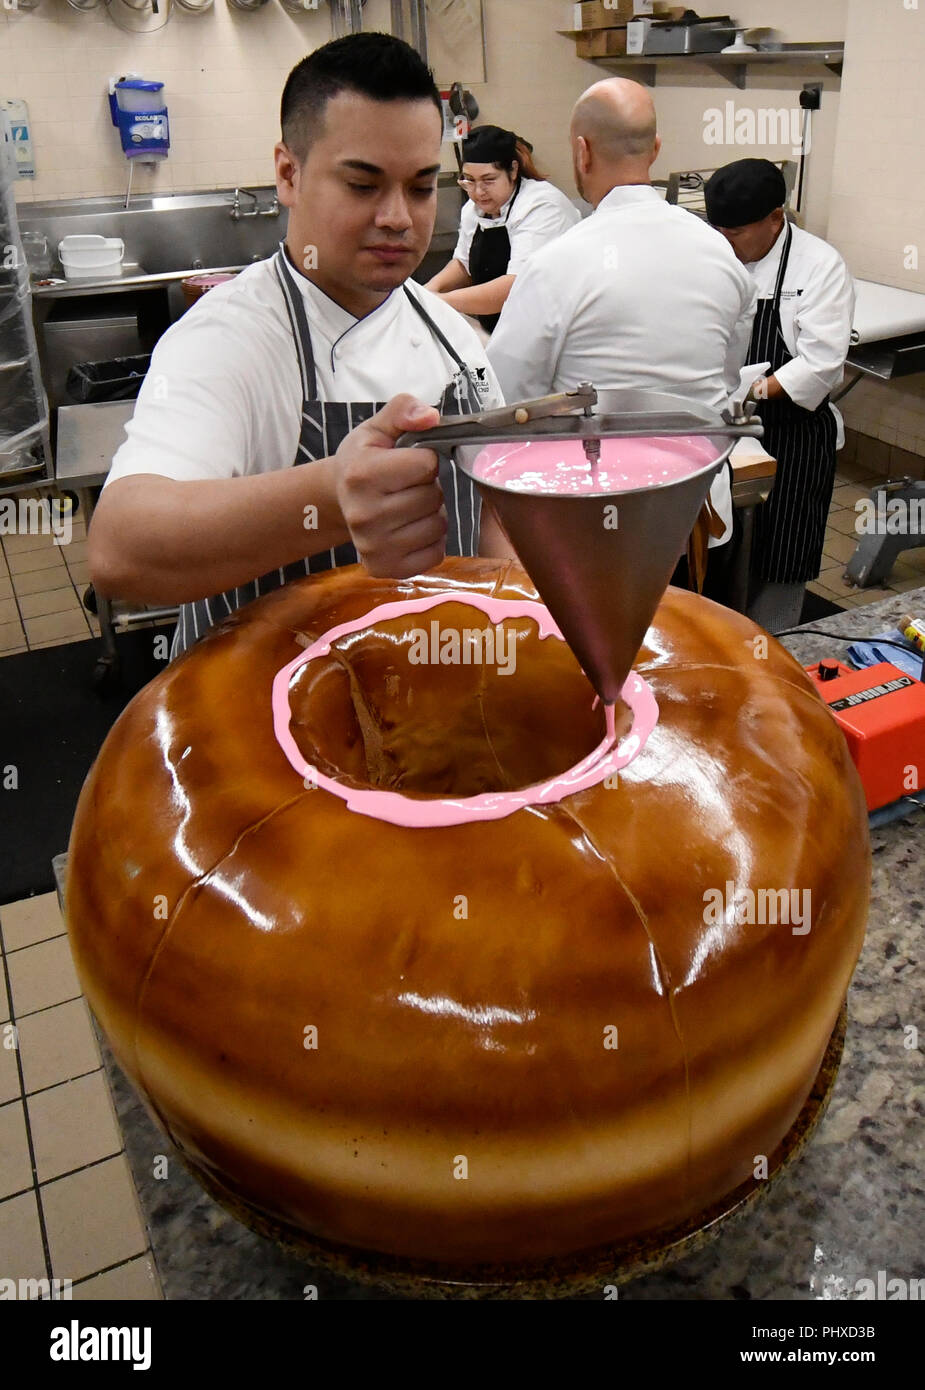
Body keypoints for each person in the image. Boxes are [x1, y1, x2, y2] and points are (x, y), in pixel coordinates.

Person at [89, 33, 510, 660]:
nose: (398, 216)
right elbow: (121, 549)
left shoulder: (450, 334)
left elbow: (495, 513)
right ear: (288, 173)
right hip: (259, 727)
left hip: (427, 706)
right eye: (364, 185)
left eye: (421, 187)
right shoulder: (231, 339)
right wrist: (334, 495)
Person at [487, 79, 758, 581]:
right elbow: (723, 379)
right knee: (675, 652)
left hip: (592, 524)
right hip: (690, 513)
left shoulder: (558, 264)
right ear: (656, 149)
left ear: (581, 152)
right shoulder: (723, 256)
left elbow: (507, 405)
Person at [704, 158, 856, 633]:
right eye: (719, 231)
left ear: (776, 217)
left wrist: (749, 390)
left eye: (736, 234)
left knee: (782, 553)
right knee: (721, 551)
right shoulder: (712, 254)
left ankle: (776, 651)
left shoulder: (819, 265)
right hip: (723, 426)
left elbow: (822, 365)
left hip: (793, 432)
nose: (725, 244)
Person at [425, 125, 581, 333]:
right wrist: (426, 292)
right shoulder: (474, 209)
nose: (479, 192)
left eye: (489, 180)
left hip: (552, 328)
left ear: (513, 170)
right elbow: (463, 264)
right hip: (505, 328)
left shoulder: (541, 206)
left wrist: (440, 302)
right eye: (469, 180)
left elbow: (514, 288)